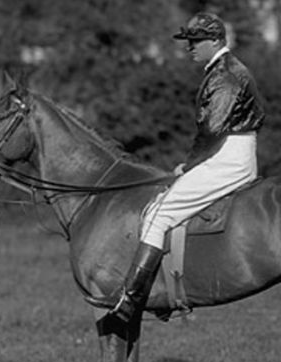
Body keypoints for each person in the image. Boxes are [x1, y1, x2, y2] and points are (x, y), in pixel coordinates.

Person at [91, 12, 265, 332]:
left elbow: (212, 128)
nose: (190, 47)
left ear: (215, 41)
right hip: (230, 151)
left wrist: (191, 164)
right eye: (189, 41)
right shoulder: (223, 70)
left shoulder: (225, 75)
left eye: (196, 41)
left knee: (158, 212)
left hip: (226, 156)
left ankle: (131, 298)